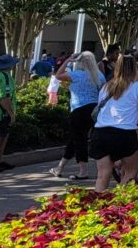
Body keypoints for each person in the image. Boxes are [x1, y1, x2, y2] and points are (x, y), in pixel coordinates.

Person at [90, 54, 138, 190]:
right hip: (124, 133)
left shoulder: (106, 87)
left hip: (100, 132)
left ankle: (97, 204)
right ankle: (117, 202)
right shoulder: (137, 87)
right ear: (134, 69)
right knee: (130, 172)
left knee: (102, 175)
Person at [49, 51, 103, 180]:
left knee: (79, 139)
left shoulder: (77, 75)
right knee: (75, 139)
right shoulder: (99, 75)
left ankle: (83, 170)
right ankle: (59, 167)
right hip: (94, 109)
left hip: (79, 109)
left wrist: (67, 60)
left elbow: (58, 75)